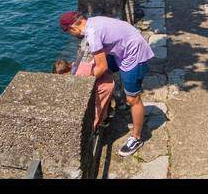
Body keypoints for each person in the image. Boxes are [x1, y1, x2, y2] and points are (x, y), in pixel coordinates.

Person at [60, 11, 154, 157]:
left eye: (70, 32)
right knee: (100, 72)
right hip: (126, 48)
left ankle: (137, 138)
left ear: (73, 28)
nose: (72, 35)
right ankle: (105, 113)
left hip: (133, 55)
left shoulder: (92, 34)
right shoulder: (93, 21)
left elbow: (102, 67)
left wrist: (84, 82)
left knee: (133, 99)